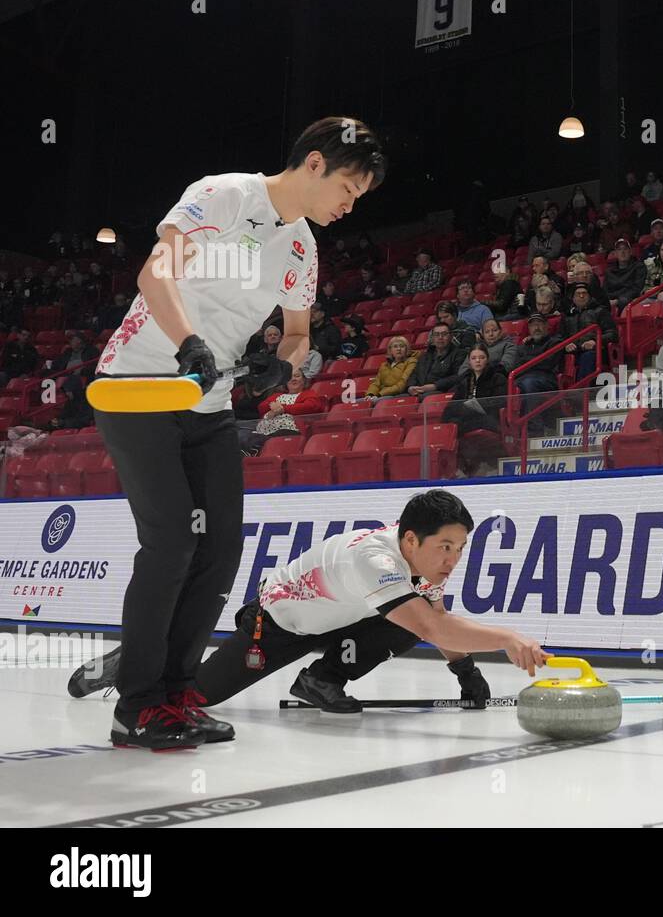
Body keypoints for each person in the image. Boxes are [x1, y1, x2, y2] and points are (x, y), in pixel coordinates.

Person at [88, 116, 385, 749]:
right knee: (171, 543)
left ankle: (175, 694)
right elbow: (153, 275)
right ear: (313, 165)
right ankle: (134, 705)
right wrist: (189, 341)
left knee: (220, 551)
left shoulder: (302, 247)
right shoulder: (221, 195)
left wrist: (281, 364)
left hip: (211, 401)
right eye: (348, 190)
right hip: (137, 384)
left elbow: (301, 337)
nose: (348, 206)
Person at [69, 491, 550, 716]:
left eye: (461, 548)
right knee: (196, 697)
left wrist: (466, 675)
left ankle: (320, 680)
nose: (454, 559)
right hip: (279, 622)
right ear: (410, 538)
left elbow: (437, 622)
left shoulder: (421, 569)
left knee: (412, 619)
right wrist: (508, 639)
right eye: (446, 546)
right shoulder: (373, 558)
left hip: (335, 621)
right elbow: (433, 630)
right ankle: (130, 662)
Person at [407, 323, 467, 396]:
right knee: (398, 399)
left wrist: (435, 386)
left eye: (444, 334)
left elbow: (458, 376)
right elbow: (414, 374)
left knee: (425, 397)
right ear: (432, 338)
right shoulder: (425, 355)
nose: (440, 337)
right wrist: (410, 387)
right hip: (420, 390)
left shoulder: (459, 354)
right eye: (436, 334)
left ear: (451, 336)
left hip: (443, 391)